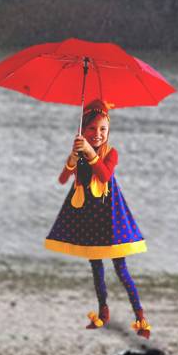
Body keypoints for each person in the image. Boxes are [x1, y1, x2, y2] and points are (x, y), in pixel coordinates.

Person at [43, 100, 151, 338]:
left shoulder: (111, 153)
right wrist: (72, 159)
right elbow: (63, 179)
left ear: (109, 130)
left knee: (121, 269)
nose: (97, 134)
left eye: (103, 129)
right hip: (88, 216)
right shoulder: (80, 153)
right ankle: (103, 311)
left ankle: (140, 316)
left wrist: (91, 153)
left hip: (110, 217)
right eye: (91, 129)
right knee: (96, 266)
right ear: (83, 130)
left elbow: (104, 175)